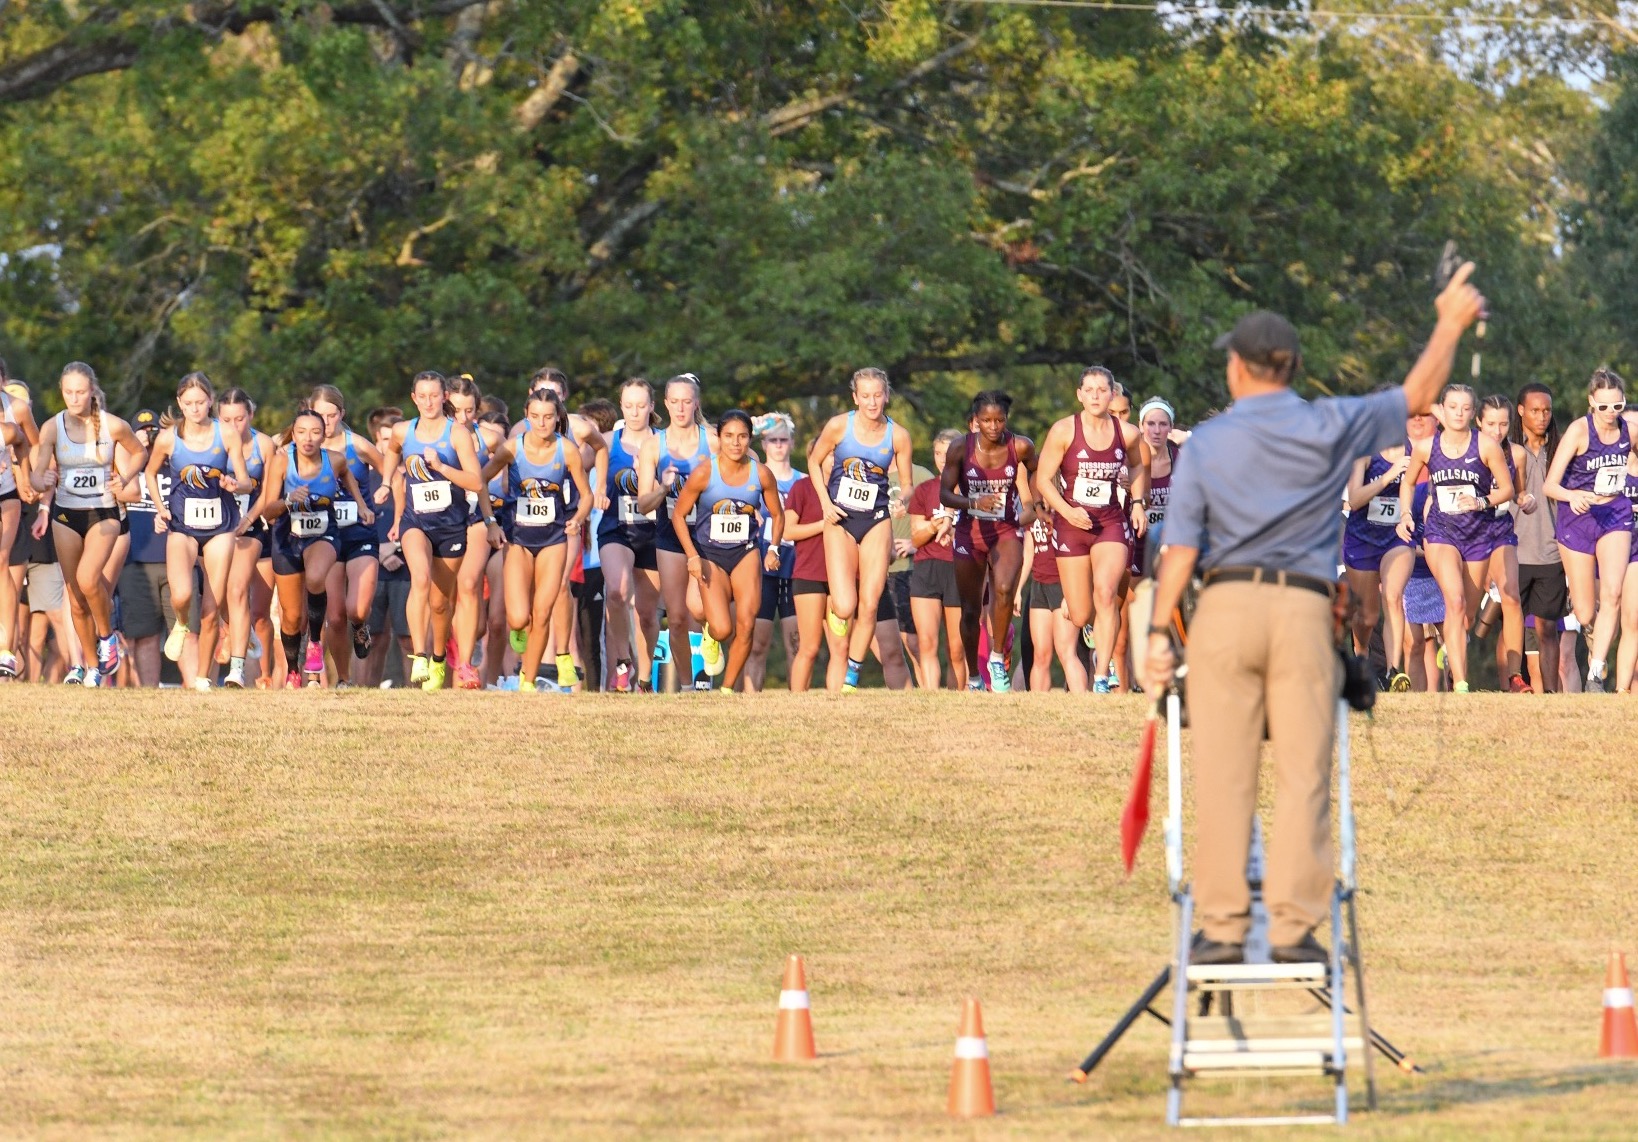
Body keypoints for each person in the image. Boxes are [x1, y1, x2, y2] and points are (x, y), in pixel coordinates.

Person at [1145, 265, 1485, 966]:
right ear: (1294, 367)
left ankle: (1222, 928)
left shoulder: (1205, 442)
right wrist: (1449, 323)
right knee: (1303, 772)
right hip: (1304, 607)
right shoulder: (1329, 422)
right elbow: (1418, 395)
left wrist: (1156, 633)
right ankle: (1297, 930)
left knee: (1225, 770)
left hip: (1226, 610)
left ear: (1238, 368)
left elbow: (1178, 550)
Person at [31, 362, 147, 686]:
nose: (74, 398)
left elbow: (140, 453)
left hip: (104, 513)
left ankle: (107, 636)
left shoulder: (113, 426)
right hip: (66, 514)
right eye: (68, 392)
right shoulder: (52, 428)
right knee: (75, 596)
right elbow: (36, 474)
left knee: (87, 578)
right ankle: (92, 668)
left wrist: (125, 477)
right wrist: (43, 480)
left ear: (92, 391)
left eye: (80, 392)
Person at [1036, 366, 1149, 693]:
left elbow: (1140, 464)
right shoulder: (1063, 430)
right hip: (1072, 526)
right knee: (1082, 611)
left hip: (1110, 523)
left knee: (1106, 593)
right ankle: (1088, 618)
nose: (1097, 396)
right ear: (1080, 395)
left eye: (1104, 390)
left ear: (1112, 394)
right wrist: (1068, 512)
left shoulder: (1126, 433)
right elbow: (1043, 480)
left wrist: (1138, 501)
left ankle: (1102, 675)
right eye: (1091, 390)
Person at [373, 371, 487, 691]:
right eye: (421, 396)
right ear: (413, 398)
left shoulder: (457, 435)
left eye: (434, 396)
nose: (428, 402)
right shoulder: (402, 430)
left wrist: (441, 468)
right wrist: (386, 482)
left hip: (451, 526)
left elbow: (476, 482)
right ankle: (420, 656)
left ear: (444, 397)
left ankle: (439, 657)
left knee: (440, 603)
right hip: (415, 522)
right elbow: (393, 451)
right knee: (419, 579)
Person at [1397, 384, 1513, 694]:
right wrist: (1406, 515)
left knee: (1467, 617)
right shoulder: (1426, 446)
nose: (1459, 413)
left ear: (1473, 413)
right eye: (1453, 407)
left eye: (1465, 408)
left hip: (1478, 534)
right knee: (1455, 600)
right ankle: (1461, 683)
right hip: (1440, 532)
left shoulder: (1487, 446)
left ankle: (1452, 650)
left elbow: (1507, 489)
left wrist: (1481, 502)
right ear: (1443, 411)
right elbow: (1407, 484)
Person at [806, 367, 914, 694]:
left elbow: (907, 484)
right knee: (845, 605)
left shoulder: (898, 435)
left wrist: (903, 501)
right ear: (855, 398)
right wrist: (825, 502)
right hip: (840, 519)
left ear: (886, 395)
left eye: (877, 395)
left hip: (877, 518)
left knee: (869, 603)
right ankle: (840, 618)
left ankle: (852, 674)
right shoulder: (839, 426)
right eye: (865, 396)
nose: (872, 402)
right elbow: (813, 461)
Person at [142, 373, 252, 689]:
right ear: (179, 403)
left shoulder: (226, 433)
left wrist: (235, 483)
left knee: (210, 607)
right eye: (188, 403)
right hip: (181, 526)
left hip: (220, 527)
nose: (194, 408)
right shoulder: (168, 437)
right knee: (182, 594)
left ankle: (202, 677)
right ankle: (179, 623)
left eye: (200, 402)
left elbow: (245, 480)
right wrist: (161, 508)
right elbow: (150, 473)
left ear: (210, 401)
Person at [481, 387, 591, 691]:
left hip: (554, 538)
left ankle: (527, 682)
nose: (542, 423)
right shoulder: (512, 449)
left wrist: (578, 519)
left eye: (548, 417)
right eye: (535, 417)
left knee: (542, 611)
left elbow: (587, 495)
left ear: (558, 418)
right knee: (518, 617)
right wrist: (491, 522)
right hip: (517, 538)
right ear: (526, 417)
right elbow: (480, 481)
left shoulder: (567, 450)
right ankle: (522, 633)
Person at [260, 409, 374, 688]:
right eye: (301, 432)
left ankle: (313, 641)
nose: (308, 438)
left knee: (315, 578)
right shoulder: (281, 462)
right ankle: (293, 670)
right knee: (291, 617)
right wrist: (288, 500)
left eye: (315, 432)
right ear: (294, 434)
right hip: (287, 540)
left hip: (324, 534)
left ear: (324, 435)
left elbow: (348, 476)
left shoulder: (334, 460)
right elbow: (268, 512)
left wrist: (361, 504)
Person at [672, 409, 784, 691]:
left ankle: (727, 689)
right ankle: (711, 635)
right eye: (729, 436)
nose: (736, 443)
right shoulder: (704, 473)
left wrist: (773, 549)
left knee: (747, 623)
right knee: (723, 628)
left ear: (750, 440)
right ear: (719, 438)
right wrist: (692, 556)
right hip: (711, 554)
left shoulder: (761, 474)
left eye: (743, 436)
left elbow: (778, 515)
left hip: (746, 552)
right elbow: (678, 515)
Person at [1542, 368, 1637, 692]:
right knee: (1584, 612)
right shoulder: (1579, 432)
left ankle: (1596, 672)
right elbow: (1549, 486)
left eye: (1617, 406)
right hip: (1577, 519)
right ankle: (1591, 629)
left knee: (1613, 593)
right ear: (1591, 403)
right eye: (1604, 407)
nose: (1611, 414)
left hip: (1615, 513)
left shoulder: (1631, 431)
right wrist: (1573, 496)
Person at [940, 390, 1036, 692]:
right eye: (986, 420)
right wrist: (972, 503)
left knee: (1005, 588)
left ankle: (997, 657)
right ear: (975, 421)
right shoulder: (960, 448)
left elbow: (1038, 472)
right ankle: (973, 675)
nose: (993, 427)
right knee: (970, 610)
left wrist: (1038, 504)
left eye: (999, 420)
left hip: (1005, 530)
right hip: (970, 532)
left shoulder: (1020, 446)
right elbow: (945, 494)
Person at [637, 374, 717, 689]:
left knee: (700, 608)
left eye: (687, 401)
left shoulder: (712, 440)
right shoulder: (653, 445)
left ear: (696, 403)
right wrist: (664, 487)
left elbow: (748, 463)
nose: (681, 408)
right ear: (666, 404)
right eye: (675, 402)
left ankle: (712, 636)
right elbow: (644, 504)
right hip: (669, 534)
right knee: (678, 617)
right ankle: (688, 685)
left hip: (707, 533)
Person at [310, 384, 385, 683]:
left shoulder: (359, 445)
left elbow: (390, 467)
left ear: (341, 414)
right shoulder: (304, 447)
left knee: (357, 609)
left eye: (331, 415)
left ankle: (362, 626)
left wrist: (387, 489)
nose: (325, 422)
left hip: (359, 535)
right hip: (326, 537)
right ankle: (343, 677)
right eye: (319, 416)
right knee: (336, 616)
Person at [597, 378, 662, 692]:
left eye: (641, 405)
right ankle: (623, 661)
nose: (635, 412)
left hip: (654, 532)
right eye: (628, 406)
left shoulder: (665, 442)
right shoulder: (607, 442)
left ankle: (645, 678)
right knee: (616, 592)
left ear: (651, 406)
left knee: (648, 615)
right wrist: (594, 491)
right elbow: (572, 461)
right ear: (621, 407)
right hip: (617, 529)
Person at [1342, 397, 1410, 686]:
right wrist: (1389, 476)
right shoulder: (1364, 453)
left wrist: (1409, 514)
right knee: (1367, 617)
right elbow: (1354, 499)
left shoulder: (1412, 451)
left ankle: (1394, 672)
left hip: (1396, 538)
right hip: (1362, 540)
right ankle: (1361, 651)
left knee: (1393, 597)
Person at [447, 375, 508, 688]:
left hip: (475, 518)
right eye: (456, 410)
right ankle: (444, 660)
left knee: (469, 582)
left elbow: (487, 480)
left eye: (469, 410)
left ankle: (466, 666)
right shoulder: (435, 436)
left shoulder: (490, 440)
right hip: (442, 520)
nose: (463, 417)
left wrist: (492, 518)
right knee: (446, 598)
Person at [218, 389, 277, 686]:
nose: (233, 425)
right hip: (216, 526)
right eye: (226, 419)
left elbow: (270, 489)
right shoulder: (211, 441)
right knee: (218, 598)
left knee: (239, 590)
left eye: (239, 418)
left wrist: (250, 519)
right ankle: (238, 629)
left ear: (250, 415)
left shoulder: (264, 445)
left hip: (251, 525)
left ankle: (238, 671)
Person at [1511, 382, 1567, 693]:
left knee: (1547, 629)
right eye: (1534, 410)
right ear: (1521, 411)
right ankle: (1512, 684)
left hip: (1551, 552)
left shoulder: (1559, 449)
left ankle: (1550, 694)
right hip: (1512, 550)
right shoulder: (1505, 449)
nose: (1542, 416)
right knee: (1511, 627)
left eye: (1546, 410)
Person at [744, 414, 802, 692]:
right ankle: (750, 701)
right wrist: (754, 429)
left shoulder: (803, 481)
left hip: (795, 568)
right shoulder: (753, 475)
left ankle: (796, 703)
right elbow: (735, 447)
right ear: (764, 444)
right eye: (773, 440)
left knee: (797, 644)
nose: (778, 446)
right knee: (757, 644)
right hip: (760, 567)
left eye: (783, 440)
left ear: (791, 443)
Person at [1476, 394, 1530, 692]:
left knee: (1511, 597)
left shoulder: (1517, 454)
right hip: (1466, 533)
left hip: (1500, 531)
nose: (1497, 431)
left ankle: (1514, 676)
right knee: (1463, 605)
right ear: (1479, 423)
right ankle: (1453, 668)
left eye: (1504, 424)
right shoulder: (1466, 451)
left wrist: (1527, 500)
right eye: (1491, 424)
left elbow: (1518, 493)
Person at [908, 430, 964, 689]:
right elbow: (916, 538)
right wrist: (933, 526)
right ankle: (931, 700)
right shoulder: (924, 490)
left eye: (949, 452)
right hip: (927, 568)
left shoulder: (971, 489)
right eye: (938, 453)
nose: (943, 459)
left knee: (957, 647)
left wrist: (955, 527)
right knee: (926, 643)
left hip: (960, 568)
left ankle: (958, 701)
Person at [0, 366, 40, 678]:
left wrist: (26, 476)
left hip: (7, 497)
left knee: (1, 562)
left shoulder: (11, 422)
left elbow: (28, 443)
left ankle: (5, 652)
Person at [782, 472, 838, 691]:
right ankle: (797, 701)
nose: (834, 458)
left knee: (840, 647)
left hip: (840, 578)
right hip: (809, 575)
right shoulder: (802, 487)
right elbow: (787, 530)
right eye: (830, 453)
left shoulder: (846, 487)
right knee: (809, 647)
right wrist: (823, 525)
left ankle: (837, 703)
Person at [1022, 506, 1086, 692]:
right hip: (1038, 586)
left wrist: (1070, 595)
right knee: (1041, 654)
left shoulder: (1065, 514)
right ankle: (1039, 707)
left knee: (1066, 652)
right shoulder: (1032, 516)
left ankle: (1082, 704)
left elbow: (1079, 555)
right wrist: (1018, 589)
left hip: (1062, 585)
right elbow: (1028, 555)